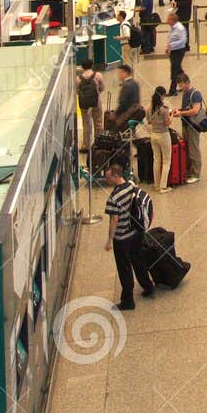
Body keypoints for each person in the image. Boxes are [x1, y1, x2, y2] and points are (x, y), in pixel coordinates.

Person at [103, 160, 154, 310]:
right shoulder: (132, 186)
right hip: (136, 233)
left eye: (108, 177)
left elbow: (114, 220)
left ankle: (128, 300)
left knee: (124, 268)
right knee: (138, 260)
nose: (106, 180)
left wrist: (110, 239)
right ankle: (148, 286)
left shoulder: (113, 198)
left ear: (116, 176)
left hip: (122, 238)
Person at [170, 71, 207, 184]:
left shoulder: (195, 94)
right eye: (179, 86)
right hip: (186, 124)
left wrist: (181, 113)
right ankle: (189, 170)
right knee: (187, 148)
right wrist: (178, 111)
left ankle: (196, 174)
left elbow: (195, 110)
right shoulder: (185, 93)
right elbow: (186, 108)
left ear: (187, 83)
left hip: (193, 126)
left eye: (181, 85)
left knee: (194, 149)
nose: (180, 88)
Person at [142, 85, 172, 193]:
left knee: (157, 160)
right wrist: (172, 115)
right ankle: (163, 187)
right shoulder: (164, 109)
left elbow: (149, 121)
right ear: (162, 95)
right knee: (166, 161)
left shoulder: (148, 108)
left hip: (153, 135)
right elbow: (167, 123)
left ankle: (156, 185)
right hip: (163, 135)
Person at [76, 57, 104, 154]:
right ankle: (99, 144)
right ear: (92, 65)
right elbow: (102, 88)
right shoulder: (98, 75)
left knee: (86, 124)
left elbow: (77, 91)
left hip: (84, 104)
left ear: (82, 67)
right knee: (98, 123)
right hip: (96, 102)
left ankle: (86, 145)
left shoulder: (78, 79)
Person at [113, 62, 144, 131]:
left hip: (127, 114)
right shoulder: (135, 83)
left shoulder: (126, 86)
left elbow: (123, 104)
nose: (119, 75)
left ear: (126, 73)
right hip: (135, 114)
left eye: (120, 73)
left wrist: (116, 114)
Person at [166, 11, 188, 95]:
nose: (167, 21)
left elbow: (183, 40)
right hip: (174, 50)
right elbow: (171, 38)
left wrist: (171, 45)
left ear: (172, 20)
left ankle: (173, 90)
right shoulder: (173, 27)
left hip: (179, 51)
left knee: (174, 70)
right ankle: (185, 83)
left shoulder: (180, 28)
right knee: (178, 69)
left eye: (168, 19)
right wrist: (168, 47)